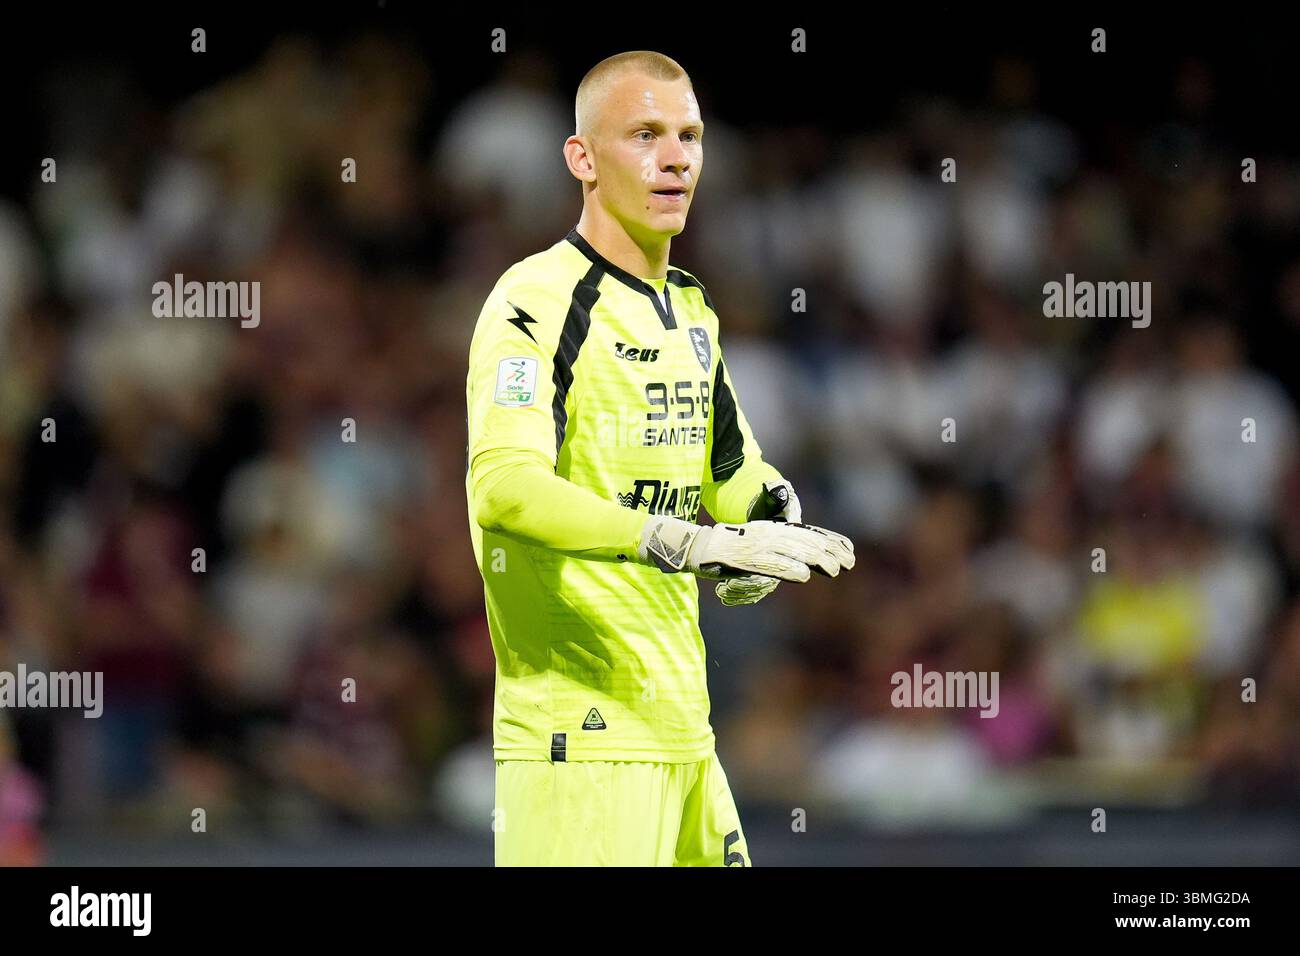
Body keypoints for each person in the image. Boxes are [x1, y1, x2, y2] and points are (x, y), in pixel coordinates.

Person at [464, 50, 855, 866]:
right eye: (644, 134)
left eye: (689, 135)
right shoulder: (536, 301)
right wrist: (690, 543)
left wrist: (770, 517)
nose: (675, 157)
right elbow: (504, 489)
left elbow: (732, 467)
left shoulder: (691, 310)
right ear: (582, 158)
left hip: (685, 734)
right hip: (581, 742)